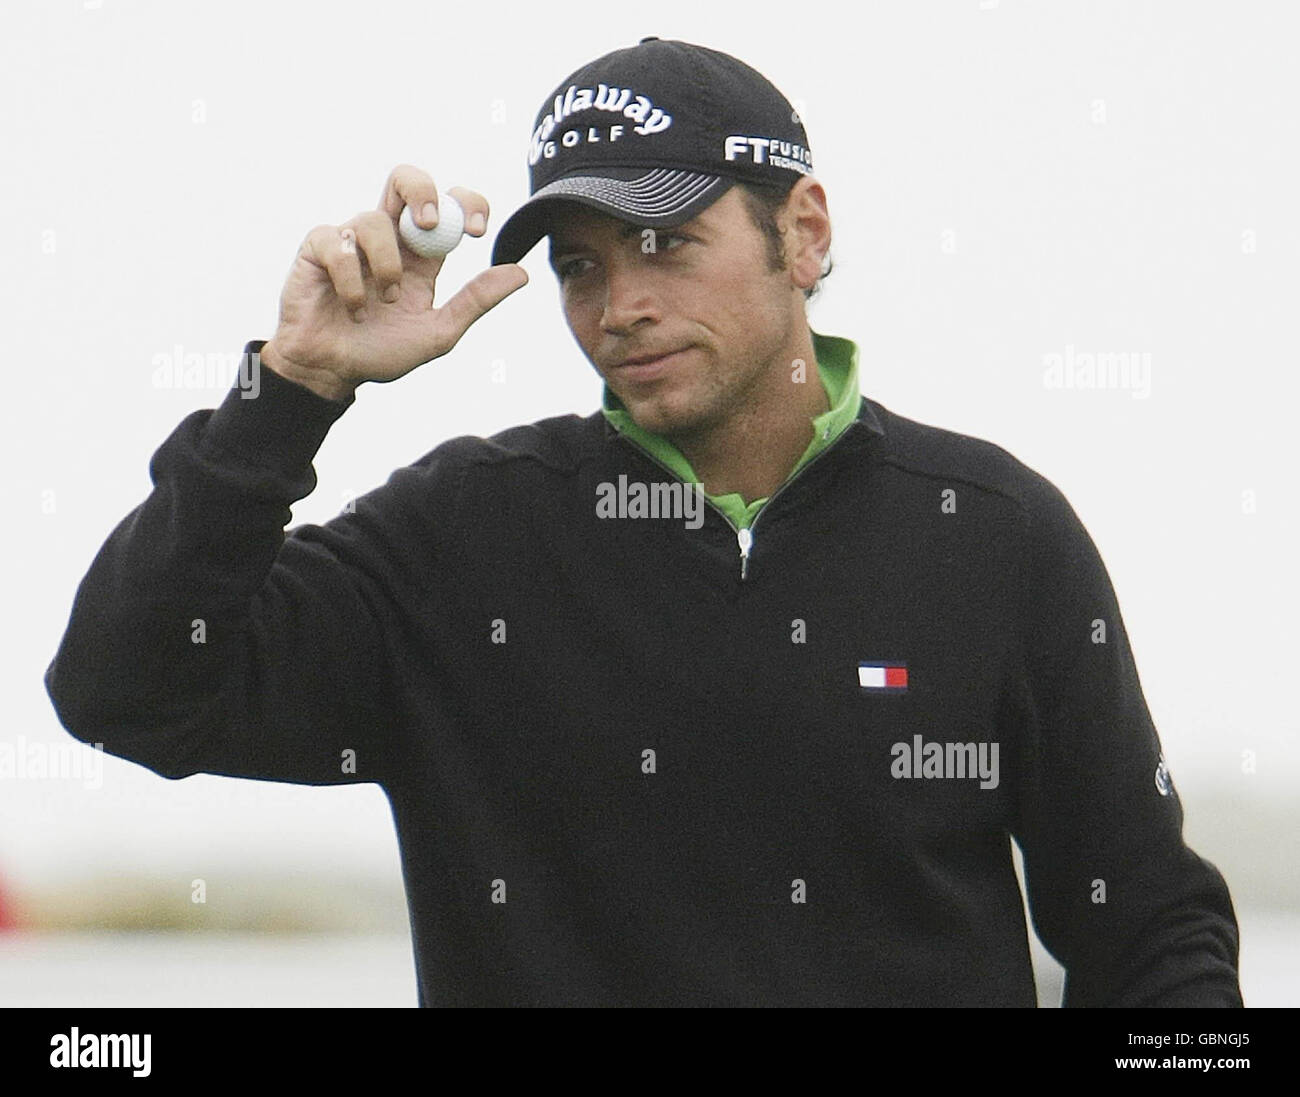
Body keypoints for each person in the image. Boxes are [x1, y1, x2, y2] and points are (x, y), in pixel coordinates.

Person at [45, 36, 1242, 1007]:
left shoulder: (992, 532)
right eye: (579, 265)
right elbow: (126, 687)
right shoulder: (461, 538)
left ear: (806, 231)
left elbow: (1147, 929)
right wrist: (292, 388)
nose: (619, 305)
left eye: (666, 241)